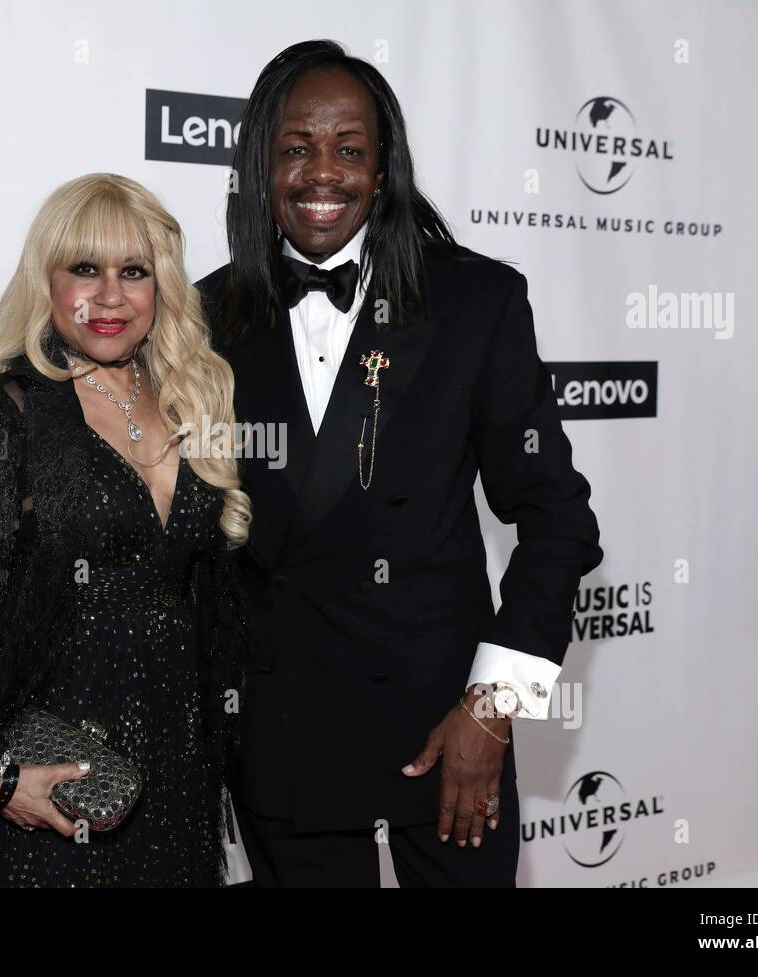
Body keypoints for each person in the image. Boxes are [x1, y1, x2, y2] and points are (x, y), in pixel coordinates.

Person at [196, 40, 602, 887]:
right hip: (283, 735)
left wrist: (491, 713)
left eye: (350, 149)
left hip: (446, 726)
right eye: (296, 148)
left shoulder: (475, 302)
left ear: (383, 171)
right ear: (260, 165)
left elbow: (558, 520)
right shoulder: (205, 315)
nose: (323, 174)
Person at [0, 173, 250, 887]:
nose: (109, 296)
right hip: (51, 797)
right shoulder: (7, 418)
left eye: (133, 271)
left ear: (161, 285)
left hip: (177, 789)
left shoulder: (191, 401)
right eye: (85, 268)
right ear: (45, 281)